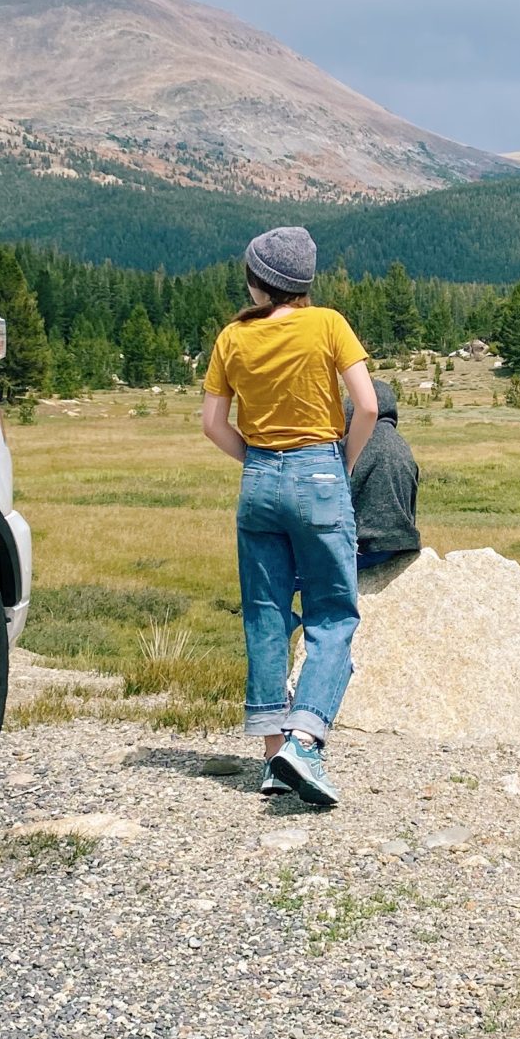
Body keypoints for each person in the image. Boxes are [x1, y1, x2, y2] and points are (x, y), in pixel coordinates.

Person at [199, 226, 377, 810]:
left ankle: (274, 756)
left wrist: (257, 459)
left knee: (267, 616)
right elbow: (368, 405)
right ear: (302, 284)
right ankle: (305, 740)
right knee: (332, 616)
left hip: (259, 481)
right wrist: (338, 465)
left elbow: (213, 424)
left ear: (259, 283)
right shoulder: (328, 324)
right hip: (320, 472)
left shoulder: (232, 338)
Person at [347, 378, 421, 572]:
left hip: (368, 545)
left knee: (292, 572)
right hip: (402, 543)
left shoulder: (357, 444)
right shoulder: (400, 443)